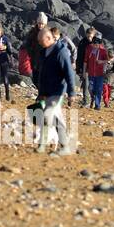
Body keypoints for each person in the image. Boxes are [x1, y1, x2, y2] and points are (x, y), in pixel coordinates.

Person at [34, 26, 75, 154]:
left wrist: (71, 93)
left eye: (41, 41)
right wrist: (41, 93)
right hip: (46, 92)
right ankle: (63, 146)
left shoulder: (61, 52)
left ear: (49, 38)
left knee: (46, 115)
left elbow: (69, 73)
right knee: (56, 118)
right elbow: (42, 74)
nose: (39, 43)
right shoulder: (44, 52)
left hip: (58, 91)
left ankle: (45, 145)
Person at [83, 31, 108, 110]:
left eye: (97, 44)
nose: (95, 46)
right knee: (90, 88)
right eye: (94, 44)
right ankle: (92, 97)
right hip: (91, 73)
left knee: (99, 89)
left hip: (100, 73)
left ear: (99, 43)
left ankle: (97, 105)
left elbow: (107, 60)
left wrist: (102, 62)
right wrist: (84, 71)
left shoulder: (103, 50)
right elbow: (85, 61)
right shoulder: (89, 49)